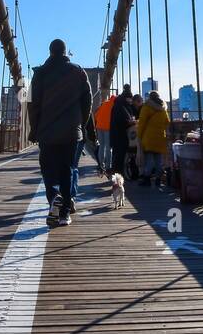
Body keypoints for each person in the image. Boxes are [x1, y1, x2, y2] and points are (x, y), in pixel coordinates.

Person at [28, 39, 93, 226]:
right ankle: (65, 213)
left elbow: (32, 105)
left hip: (47, 131)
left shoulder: (40, 73)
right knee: (67, 168)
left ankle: (54, 198)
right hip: (71, 132)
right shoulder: (79, 71)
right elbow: (87, 102)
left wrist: (34, 129)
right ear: (65, 52)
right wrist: (81, 123)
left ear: (50, 51)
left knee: (48, 169)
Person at [136, 91, 171, 187]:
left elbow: (142, 123)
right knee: (159, 162)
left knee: (149, 161)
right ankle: (158, 180)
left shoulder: (147, 107)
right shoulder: (163, 108)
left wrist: (139, 136)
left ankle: (146, 180)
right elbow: (167, 122)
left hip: (149, 138)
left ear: (150, 98)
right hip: (160, 138)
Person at [108, 84, 135, 181]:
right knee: (119, 156)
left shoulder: (118, 104)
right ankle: (118, 177)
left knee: (117, 156)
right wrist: (131, 122)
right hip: (120, 136)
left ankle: (117, 176)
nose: (131, 101)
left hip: (116, 135)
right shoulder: (121, 106)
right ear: (127, 98)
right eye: (130, 99)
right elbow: (123, 121)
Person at [93, 91, 116, 179]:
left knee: (102, 146)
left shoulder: (104, 103)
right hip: (108, 128)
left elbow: (96, 114)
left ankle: (101, 165)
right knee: (108, 147)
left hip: (99, 126)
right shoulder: (114, 105)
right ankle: (108, 166)